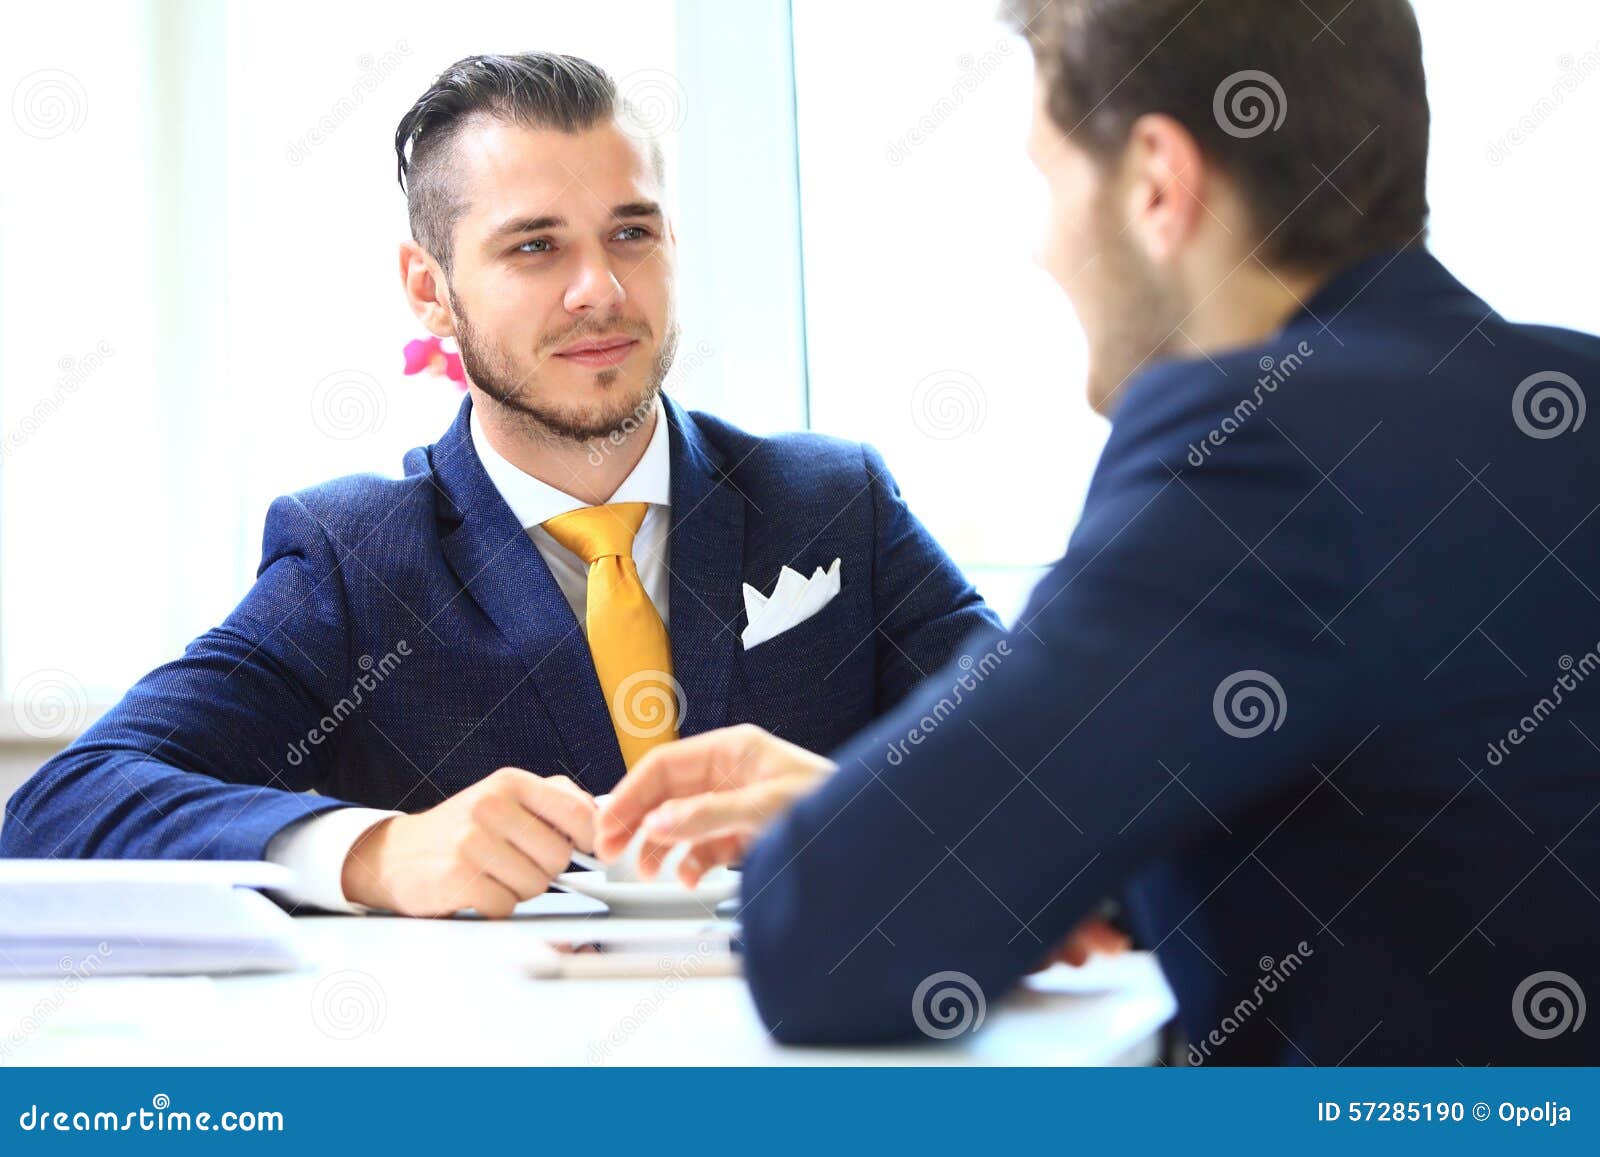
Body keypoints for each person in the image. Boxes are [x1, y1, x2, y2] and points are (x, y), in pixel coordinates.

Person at [597, 0, 1600, 1064]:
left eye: (1049, 179)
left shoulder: (1258, 441)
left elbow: (826, 934)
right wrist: (988, 842)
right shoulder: (1561, 393)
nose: (1042, 250)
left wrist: (883, 834)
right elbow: (1410, 821)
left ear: (1157, 182)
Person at [0, 52, 999, 920]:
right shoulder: (355, 559)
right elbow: (64, 804)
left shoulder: (832, 502)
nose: (600, 289)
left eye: (631, 232)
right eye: (536, 245)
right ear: (429, 290)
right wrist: (373, 852)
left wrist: (852, 808)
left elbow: (1059, 751)